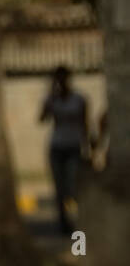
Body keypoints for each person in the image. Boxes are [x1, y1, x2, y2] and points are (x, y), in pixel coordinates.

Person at [39, 66, 89, 233]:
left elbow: (85, 124)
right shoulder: (52, 99)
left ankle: (81, 220)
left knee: (73, 186)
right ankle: (63, 224)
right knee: (59, 188)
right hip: (56, 147)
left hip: (73, 147)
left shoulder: (79, 99)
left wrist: (87, 147)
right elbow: (41, 119)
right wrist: (50, 98)